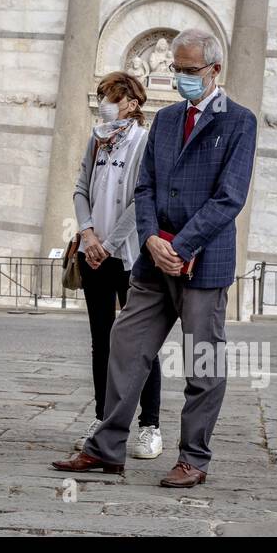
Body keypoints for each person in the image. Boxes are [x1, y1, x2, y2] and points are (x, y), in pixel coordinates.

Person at [52, 28, 257, 487]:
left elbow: (230, 198)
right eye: (177, 70)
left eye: (189, 71)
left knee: (202, 361)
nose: (181, 77)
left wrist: (180, 247)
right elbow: (144, 189)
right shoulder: (164, 122)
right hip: (151, 259)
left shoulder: (239, 121)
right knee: (125, 346)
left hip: (201, 263)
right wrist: (150, 241)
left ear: (214, 71)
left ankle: (193, 458)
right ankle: (107, 448)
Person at [71, 71, 162, 459]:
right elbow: (80, 188)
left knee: (140, 343)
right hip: (91, 253)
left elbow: (141, 199)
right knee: (101, 339)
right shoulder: (97, 140)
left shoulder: (143, 141)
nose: (105, 102)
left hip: (128, 256)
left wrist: (107, 245)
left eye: (111, 96)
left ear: (132, 103)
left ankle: (149, 425)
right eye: (101, 95)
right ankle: (102, 416)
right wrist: (88, 235)